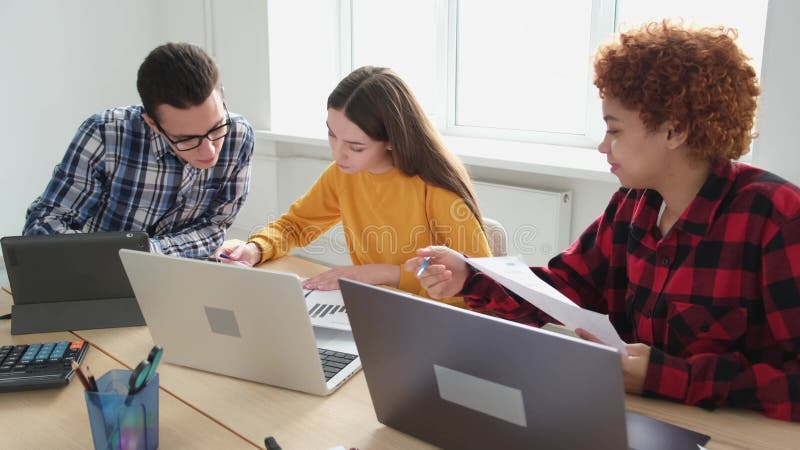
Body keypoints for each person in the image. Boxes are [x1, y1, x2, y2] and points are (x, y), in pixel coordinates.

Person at [407, 21, 800, 421]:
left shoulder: (777, 218)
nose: (602, 146)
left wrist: (671, 377)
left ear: (674, 130)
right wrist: (471, 275)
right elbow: (563, 288)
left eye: (614, 130)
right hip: (632, 419)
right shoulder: (632, 205)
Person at [218, 66, 491, 306]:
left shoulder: (435, 186)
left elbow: (482, 283)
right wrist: (255, 249)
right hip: (375, 307)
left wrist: (385, 273)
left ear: (392, 140)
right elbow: (295, 226)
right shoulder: (344, 175)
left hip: (436, 319)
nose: (338, 154)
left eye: (356, 146)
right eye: (331, 134)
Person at [23, 42, 255, 257]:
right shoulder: (105, 134)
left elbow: (215, 226)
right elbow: (43, 226)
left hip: (182, 275)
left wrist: (147, 253)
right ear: (152, 123)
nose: (209, 151)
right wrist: (118, 257)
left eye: (216, 129)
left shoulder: (239, 135)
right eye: (187, 139)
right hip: (98, 275)